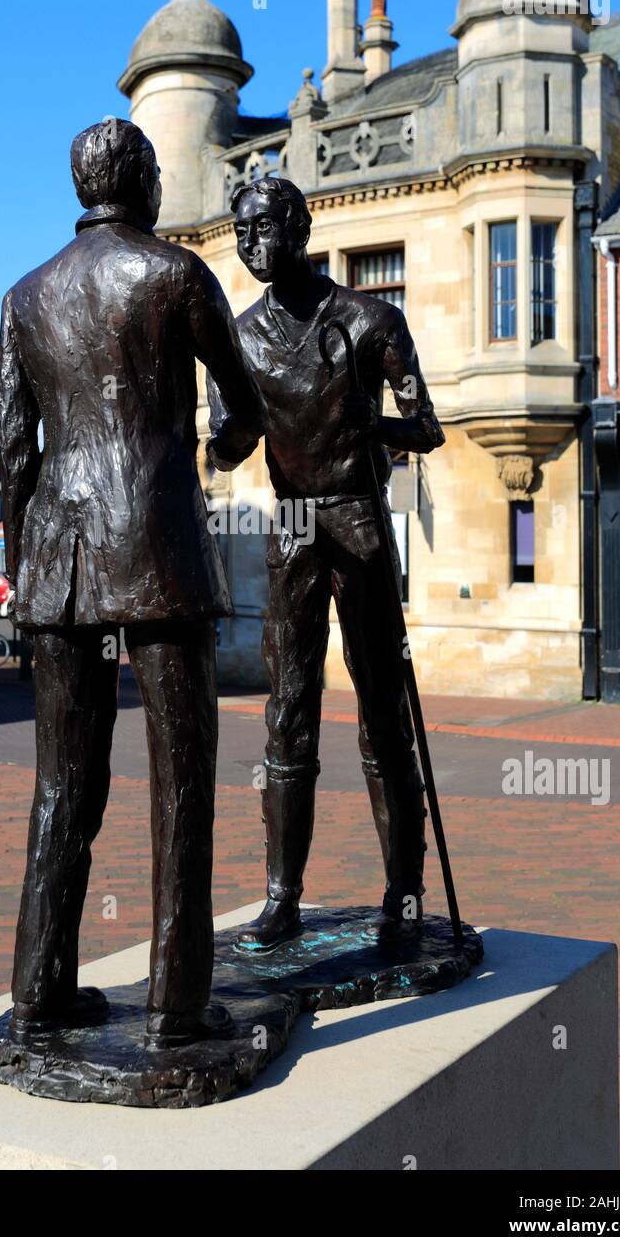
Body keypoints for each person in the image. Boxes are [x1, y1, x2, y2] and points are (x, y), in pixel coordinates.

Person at [0, 119, 264, 1046]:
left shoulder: (25, 296)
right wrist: (220, 450)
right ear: (144, 180)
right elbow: (245, 400)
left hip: (56, 560)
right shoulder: (175, 274)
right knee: (181, 777)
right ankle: (177, 1003)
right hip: (155, 546)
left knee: (60, 781)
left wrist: (22, 563)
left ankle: (38, 988)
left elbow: (11, 454)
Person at [208, 176, 444, 949]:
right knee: (289, 716)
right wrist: (227, 438)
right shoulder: (238, 339)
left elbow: (428, 429)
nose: (249, 246)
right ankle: (281, 897)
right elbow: (227, 440)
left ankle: (404, 892)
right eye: (239, 233)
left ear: (300, 228)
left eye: (262, 229)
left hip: (360, 520)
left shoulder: (370, 320)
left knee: (383, 716)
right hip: (294, 529)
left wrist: (372, 425)